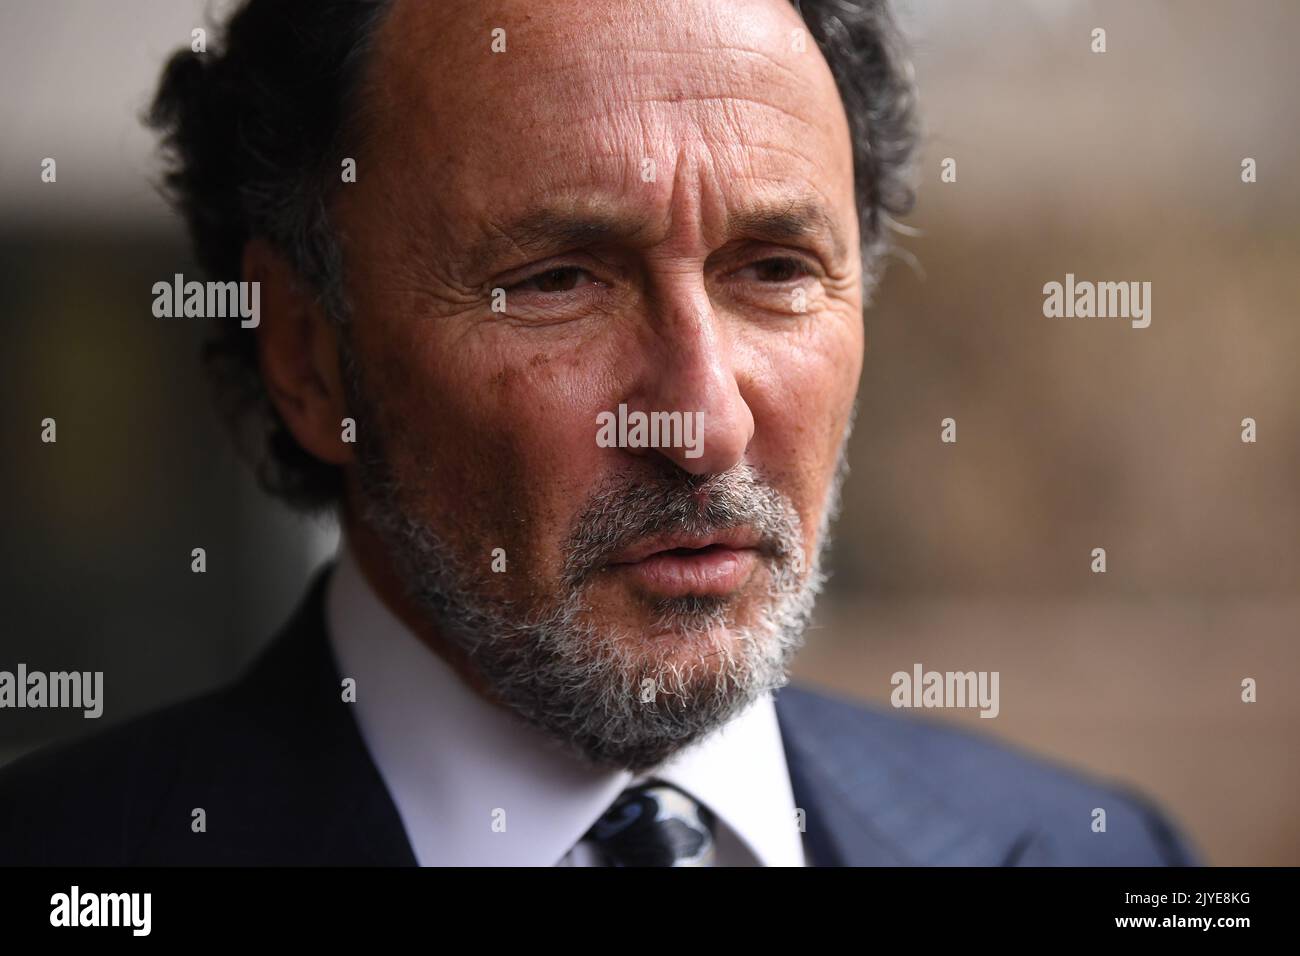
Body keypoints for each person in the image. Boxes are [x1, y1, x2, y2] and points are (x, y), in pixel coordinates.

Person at [0, 0, 1195, 866]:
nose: (706, 421)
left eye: (774, 269)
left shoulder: (1091, 851)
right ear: (310, 357)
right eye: (560, 279)